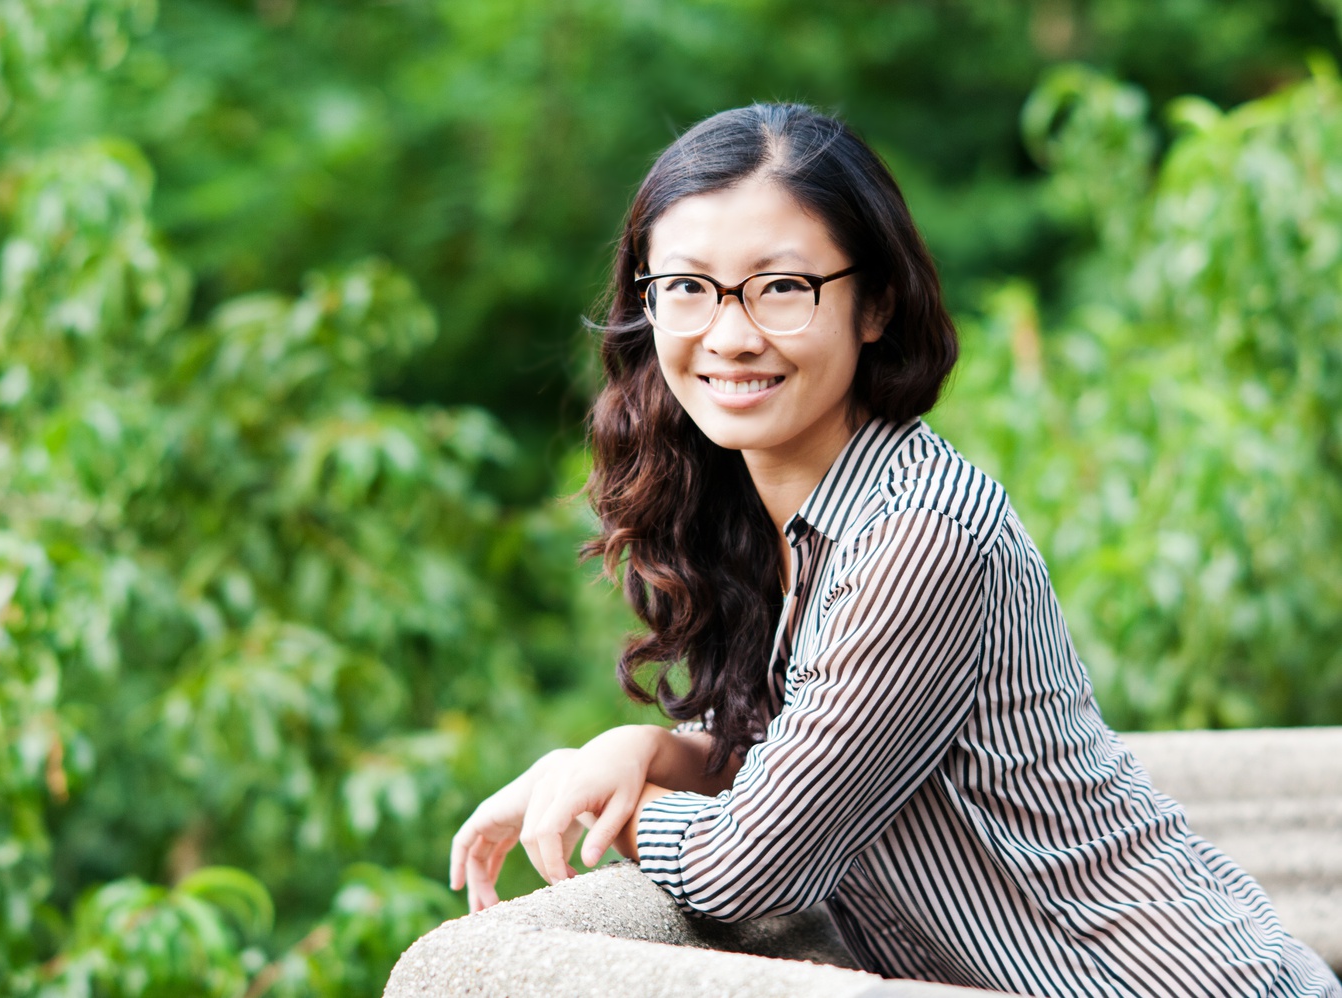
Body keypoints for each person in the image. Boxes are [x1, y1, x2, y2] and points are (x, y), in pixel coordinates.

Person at [448, 103, 1340, 997]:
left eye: (782, 287)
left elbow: (753, 864)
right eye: (686, 286)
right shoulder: (780, 515)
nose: (728, 334)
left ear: (874, 303)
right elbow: (803, 755)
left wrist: (618, 810)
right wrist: (636, 750)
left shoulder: (918, 531)